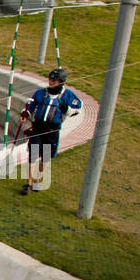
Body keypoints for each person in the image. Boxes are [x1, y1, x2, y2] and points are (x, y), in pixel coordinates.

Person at [17, 67, 82, 195]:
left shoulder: (68, 96)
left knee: (45, 157)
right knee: (33, 155)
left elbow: (77, 108)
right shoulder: (41, 93)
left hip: (52, 130)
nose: (51, 82)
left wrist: (66, 109)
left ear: (61, 81)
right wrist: (26, 113)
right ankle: (28, 182)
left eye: (54, 80)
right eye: (50, 79)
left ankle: (37, 179)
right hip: (38, 128)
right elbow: (31, 104)